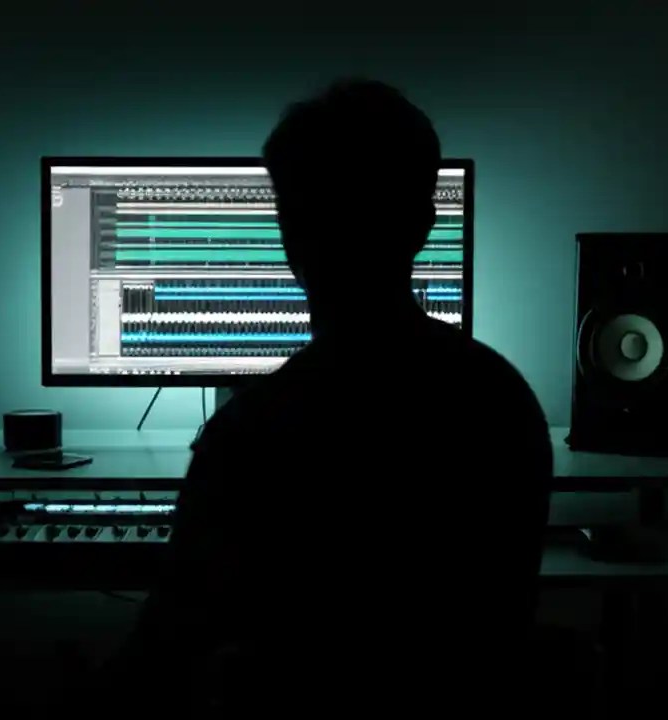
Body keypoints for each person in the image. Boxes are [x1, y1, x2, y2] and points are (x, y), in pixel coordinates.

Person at [97, 79, 552, 714]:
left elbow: (160, 651)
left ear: (290, 233)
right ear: (423, 225)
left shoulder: (251, 433)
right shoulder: (504, 401)